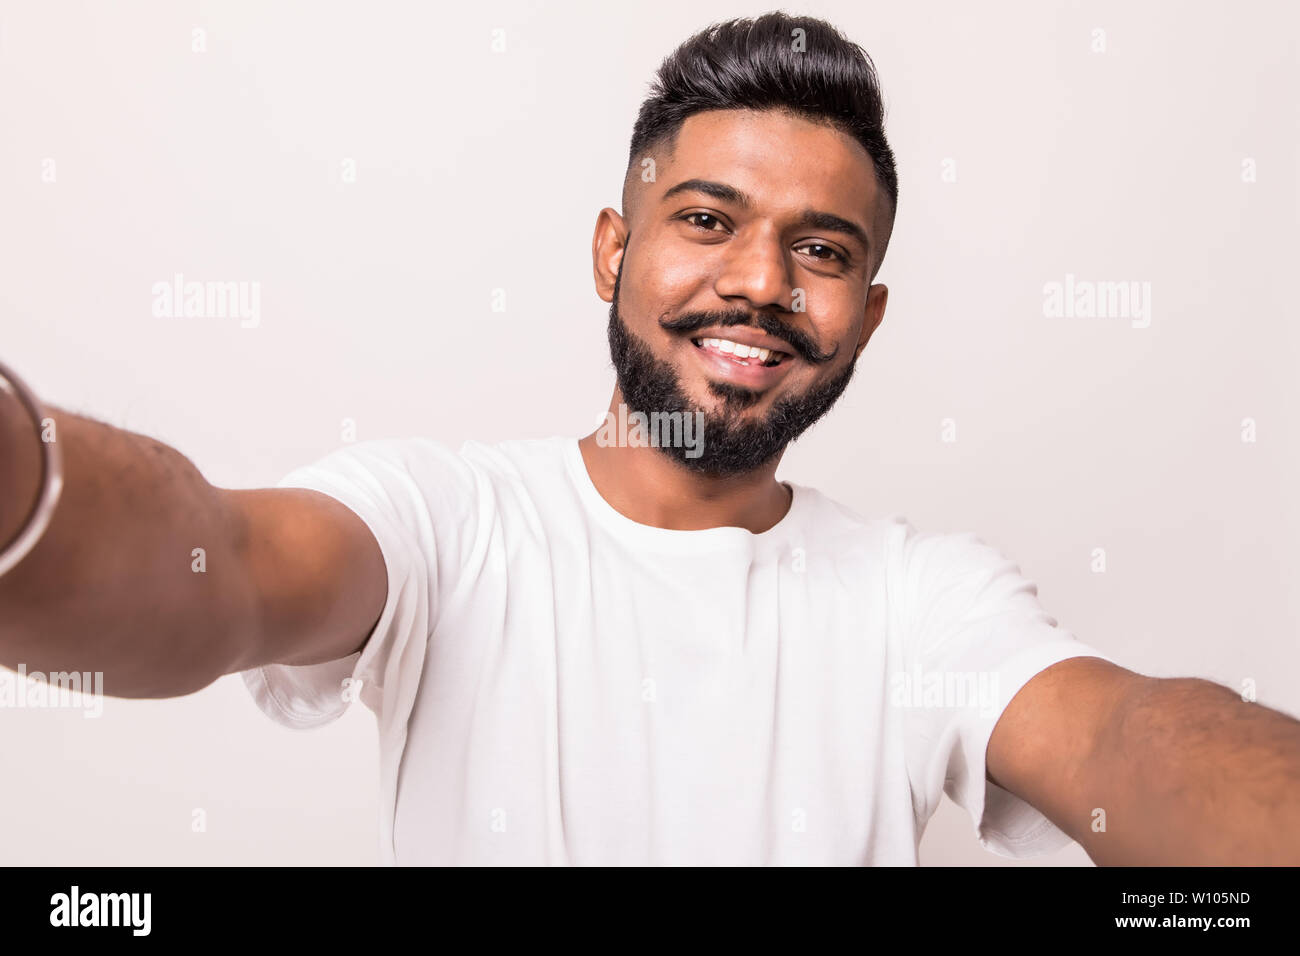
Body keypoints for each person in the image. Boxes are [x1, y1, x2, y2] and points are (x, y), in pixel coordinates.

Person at [2, 12, 1298, 867]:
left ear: (869, 315)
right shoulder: (448, 522)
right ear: (612, 250)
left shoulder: (923, 602)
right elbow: (213, 570)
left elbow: (1127, 742)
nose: (760, 282)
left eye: (823, 250)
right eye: (708, 219)